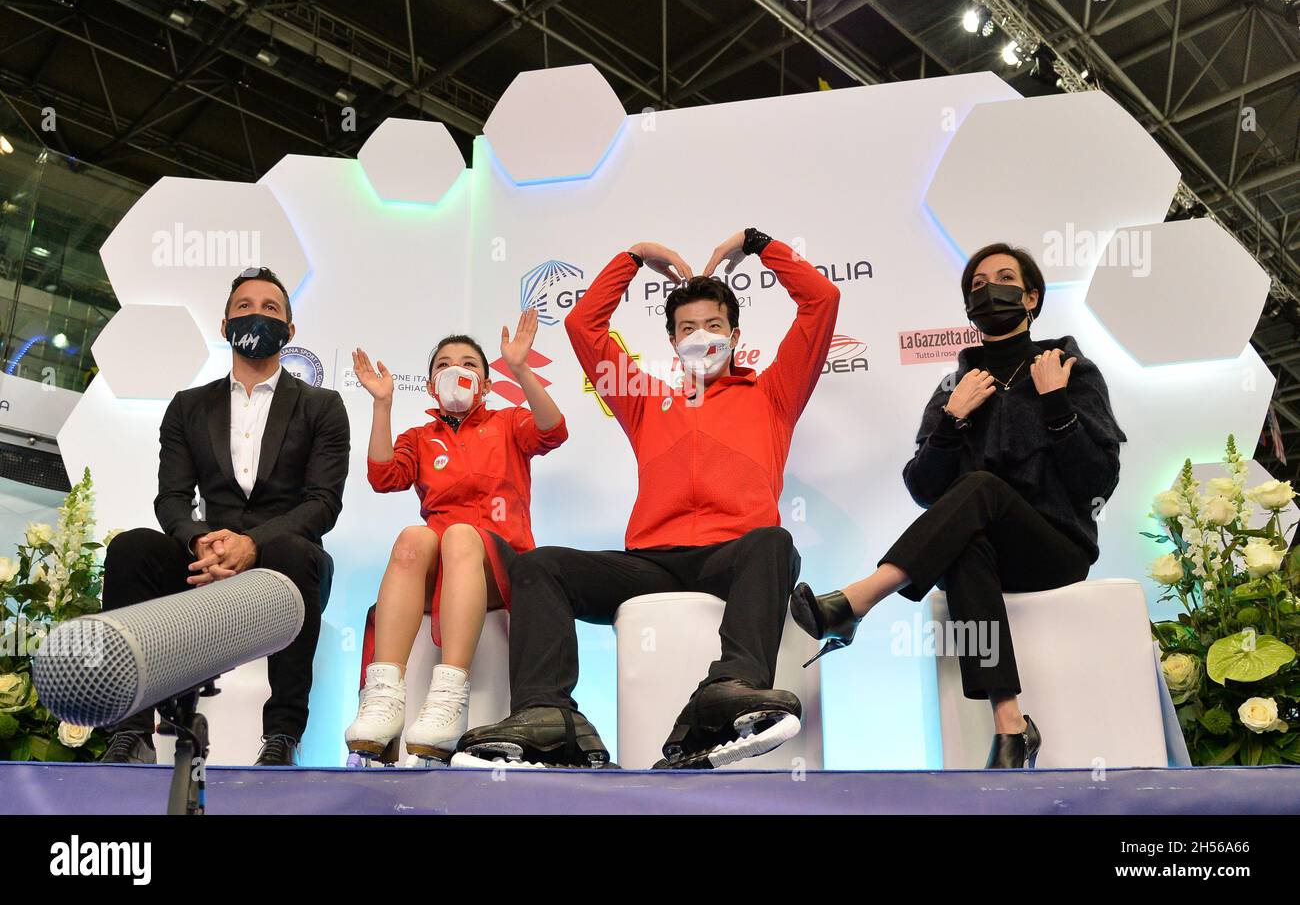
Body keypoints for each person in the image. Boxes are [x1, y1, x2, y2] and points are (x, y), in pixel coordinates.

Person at [455, 227, 841, 769]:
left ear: (734, 333)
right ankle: (549, 715)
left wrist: (756, 244)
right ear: (671, 340)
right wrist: (636, 256)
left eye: (712, 325)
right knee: (541, 566)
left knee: (774, 542)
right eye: (687, 327)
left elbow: (822, 301)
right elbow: (583, 326)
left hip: (734, 558)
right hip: (651, 563)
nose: (700, 335)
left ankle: (729, 689)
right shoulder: (644, 400)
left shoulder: (774, 393)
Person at [791, 243, 1126, 768]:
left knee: (982, 488)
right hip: (986, 558)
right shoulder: (955, 386)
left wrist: (1057, 406)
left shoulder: (1067, 368)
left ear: (1031, 297)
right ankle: (1011, 727)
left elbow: (1097, 481)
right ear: (968, 307)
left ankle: (861, 599)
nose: (989, 290)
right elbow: (924, 489)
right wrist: (952, 421)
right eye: (976, 285)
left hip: (1056, 549)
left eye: (1004, 278)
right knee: (965, 542)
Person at [98, 266, 350, 766]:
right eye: (245, 307)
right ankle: (131, 731)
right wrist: (201, 541)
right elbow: (171, 498)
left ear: (290, 331)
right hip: (206, 554)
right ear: (224, 325)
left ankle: (282, 737)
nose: (257, 315)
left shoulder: (322, 405)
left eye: (271, 308)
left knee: (291, 550)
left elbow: (323, 503)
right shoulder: (189, 406)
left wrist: (251, 545)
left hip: (286, 561)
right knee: (132, 548)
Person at [344, 311, 568, 764]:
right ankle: (385, 698)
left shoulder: (507, 423)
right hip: (441, 568)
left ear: (485, 384)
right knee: (413, 536)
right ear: (430, 385)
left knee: (461, 536)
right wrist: (382, 404)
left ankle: (448, 697)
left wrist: (520, 370)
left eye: (469, 364)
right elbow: (384, 476)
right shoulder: (420, 437)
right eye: (444, 365)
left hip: (501, 565)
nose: (455, 371)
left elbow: (553, 431)